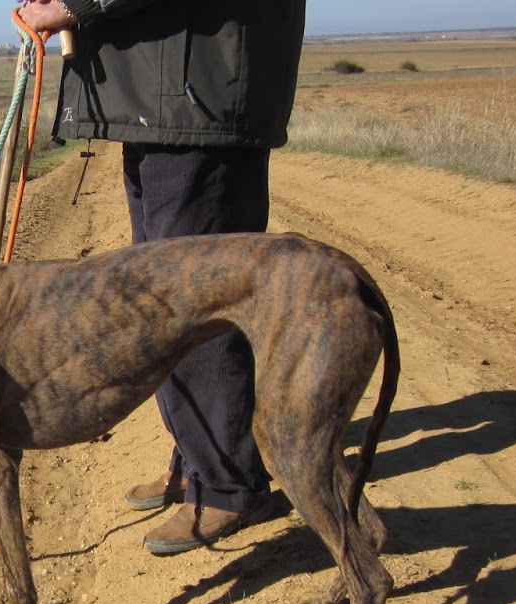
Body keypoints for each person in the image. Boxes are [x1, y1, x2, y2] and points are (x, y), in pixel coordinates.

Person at [17, 0, 307, 555]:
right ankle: (197, 458)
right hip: (167, 96)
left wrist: (75, 4)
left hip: (197, 98)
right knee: (161, 309)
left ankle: (229, 486)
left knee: (197, 310)